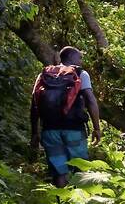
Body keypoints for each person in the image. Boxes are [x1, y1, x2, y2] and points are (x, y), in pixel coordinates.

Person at [30, 46, 102, 187]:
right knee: (80, 170)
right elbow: (91, 100)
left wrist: (34, 133)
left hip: (50, 131)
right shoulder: (80, 73)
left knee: (59, 172)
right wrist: (96, 128)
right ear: (72, 58)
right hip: (74, 130)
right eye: (79, 57)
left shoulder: (43, 75)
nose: (81, 61)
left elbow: (34, 105)